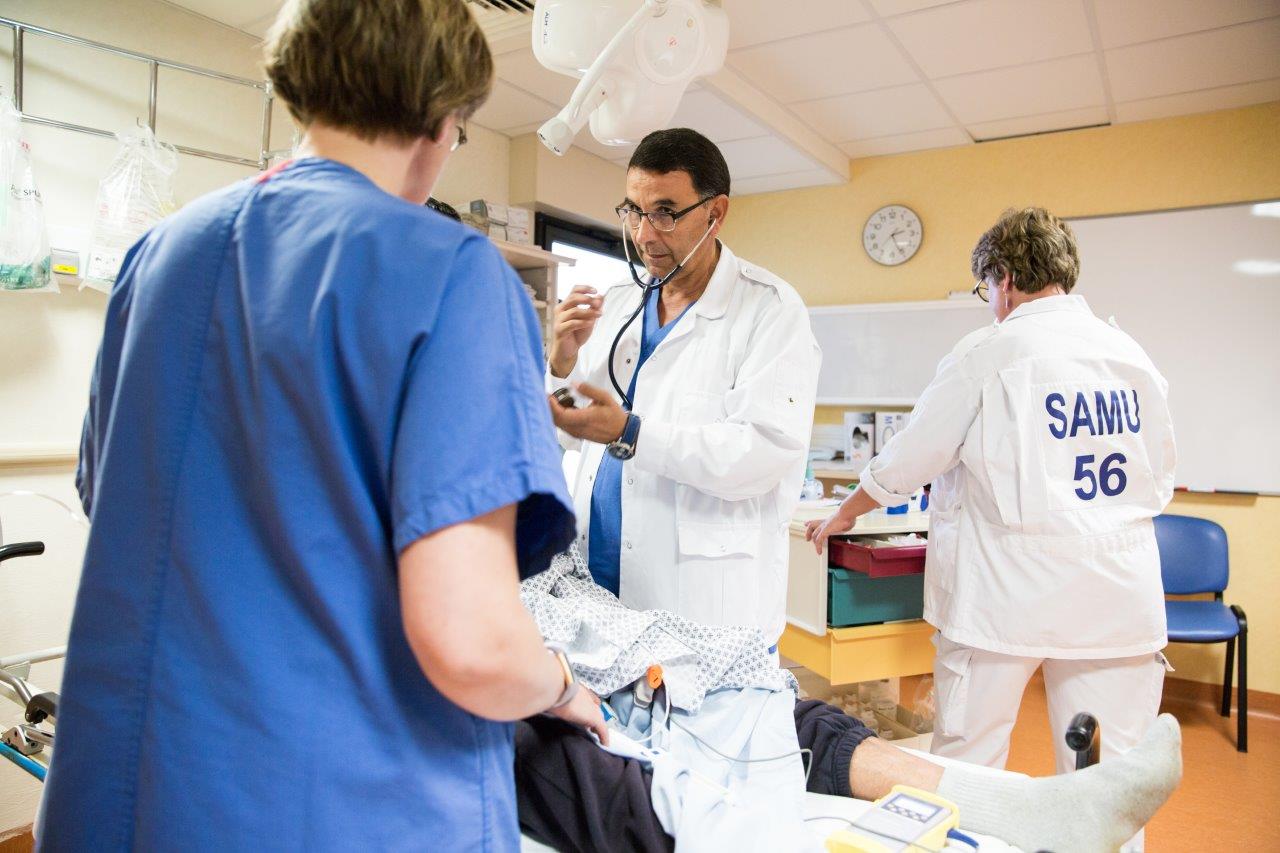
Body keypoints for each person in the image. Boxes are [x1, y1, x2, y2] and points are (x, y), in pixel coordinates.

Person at [41, 1, 604, 849]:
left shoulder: (158, 255)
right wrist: (560, 680)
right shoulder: (455, 274)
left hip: (123, 791)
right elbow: (474, 643)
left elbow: (119, 500)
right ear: (442, 122)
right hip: (335, 800)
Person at [806, 209, 1176, 796]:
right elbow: (1160, 472)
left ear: (1003, 278)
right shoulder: (1130, 354)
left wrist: (847, 511)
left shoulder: (991, 351)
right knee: (1109, 780)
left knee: (967, 766)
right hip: (1116, 594)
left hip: (1004, 596)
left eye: (986, 288)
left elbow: (912, 456)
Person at [511, 549, 1184, 853]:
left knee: (785, 715)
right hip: (512, 691)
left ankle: (1037, 811)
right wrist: (560, 686)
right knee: (636, 786)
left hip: (589, 646)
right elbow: (461, 646)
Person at [547, 128, 821, 645]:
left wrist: (630, 433)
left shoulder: (770, 310)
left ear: (715, 213)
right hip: (595, 582)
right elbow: (567, 431)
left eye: (666, 213)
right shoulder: (620, 303)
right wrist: (561, 366)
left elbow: (761, 455)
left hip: (701, 603)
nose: (645, 235)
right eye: (633, 211)